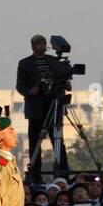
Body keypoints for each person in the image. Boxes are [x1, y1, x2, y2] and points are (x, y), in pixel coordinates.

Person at [16, 34, 68, 182]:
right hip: (36, 107)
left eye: (44, 43)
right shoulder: (25, 64)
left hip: (54, 104)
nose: (42, 46)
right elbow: (20, 86)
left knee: (58, 140)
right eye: (39, 44)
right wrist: (30, 91)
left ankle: (63, 173)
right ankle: (36, 175)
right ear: (33, 46)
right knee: (35, 141)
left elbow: (63, 79)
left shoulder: (53, 61)